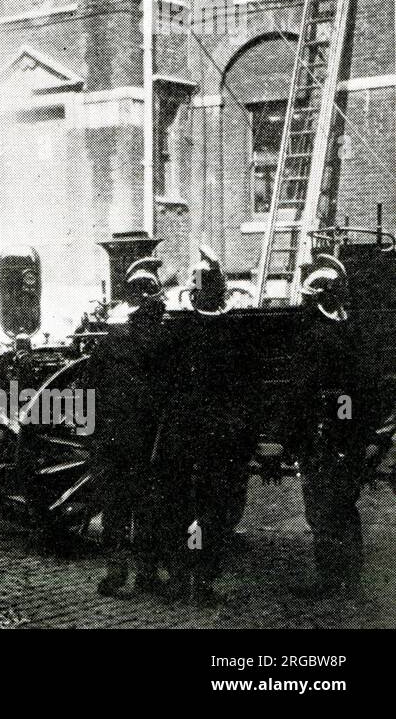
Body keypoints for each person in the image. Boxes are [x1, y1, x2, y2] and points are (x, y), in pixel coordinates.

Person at [287, 255, 389, 598]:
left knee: (325, 507)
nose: (309, 303)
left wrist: (323, 433)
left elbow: (316, 392)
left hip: (327, 436)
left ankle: (333, 578)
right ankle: (348, 576)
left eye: (314, 296)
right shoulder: (348, 331)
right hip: (340, 435)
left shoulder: (319, 335)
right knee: (340, 506)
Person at [166, 246, 257, 604]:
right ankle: (198, 578)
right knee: (207, 515)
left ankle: (185, 576)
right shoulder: (234, 334)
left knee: (189, 513)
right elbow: (249, 393)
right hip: (214, 442)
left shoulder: (180, 333)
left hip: (193, 440)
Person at [90, 256, 180, 599]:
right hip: (147, 440)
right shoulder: (165, 341)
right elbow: (172, 393)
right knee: (148, 508)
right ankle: (146, 573)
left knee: (115, 508)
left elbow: (89, 390)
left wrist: (94, 436)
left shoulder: (110, 341)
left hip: (112, 438)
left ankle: (116, 573)